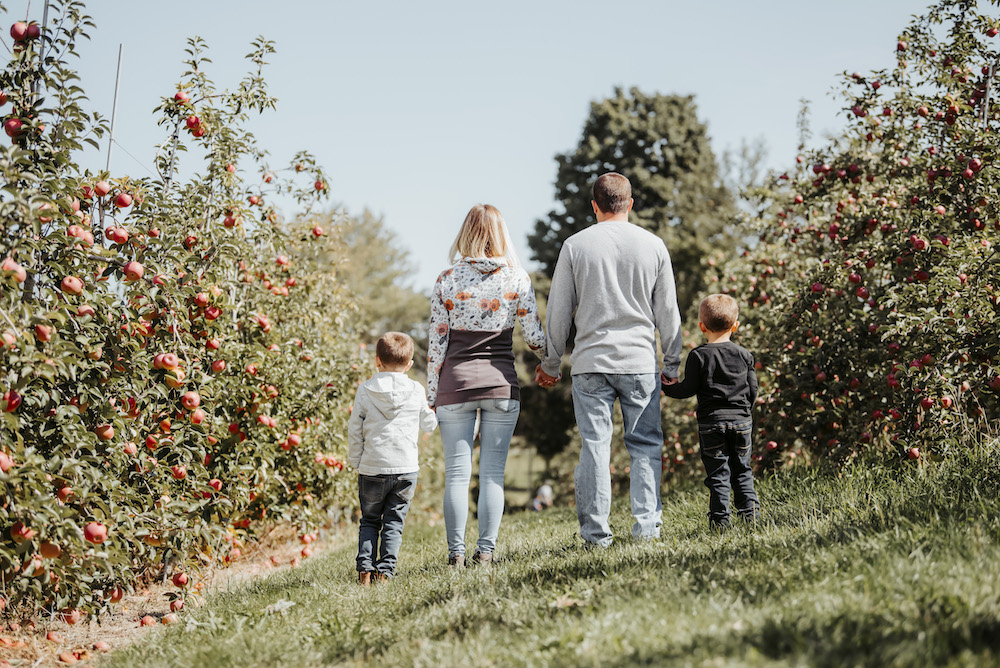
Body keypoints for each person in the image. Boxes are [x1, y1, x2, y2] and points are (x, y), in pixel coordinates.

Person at [537, 172, 682, 548]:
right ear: (630, 203)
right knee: (645, 446)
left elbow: (558, 312)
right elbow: (668, 310)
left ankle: (596, 535)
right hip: (639, 362)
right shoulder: (653, 245)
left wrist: (551, 364)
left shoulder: (575, 245)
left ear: (594, 206)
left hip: (590, 363)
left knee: (595, 448)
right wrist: (673, 363)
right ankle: (647, 530)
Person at [428, 204, 548, 568]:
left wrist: (432, 394)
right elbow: (534, 336)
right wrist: (549, 360)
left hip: (455, 386)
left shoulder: (445, 279)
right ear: (500, 234)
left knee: (457, 475)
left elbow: (437, 344)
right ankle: (486, 552)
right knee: (493, 473)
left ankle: (455, 555)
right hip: (500, 386)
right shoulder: (516, 279)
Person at [662, 294, 759, 530]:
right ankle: (751, 518)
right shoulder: (744, 355)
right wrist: (746, 410)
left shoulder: (698, 356)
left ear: (701, 326)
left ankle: (720, 523)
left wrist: (667, 387)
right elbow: (753, 388)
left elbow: (687, 389)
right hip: (741, 421)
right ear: (735, 325)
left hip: (711, 424)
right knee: (742, 470)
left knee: (718, 474)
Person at [348, 332, 437, 585]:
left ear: (377, 361)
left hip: (372, 467)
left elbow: (355, 428)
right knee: (394, 522)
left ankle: (364, 571)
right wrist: (434, 411)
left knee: (369, 520)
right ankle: (385, 573)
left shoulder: (365, 390)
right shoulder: (416, 390)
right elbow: (428, 425)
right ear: (409, 364)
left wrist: (356, 460)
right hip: (406, 469)